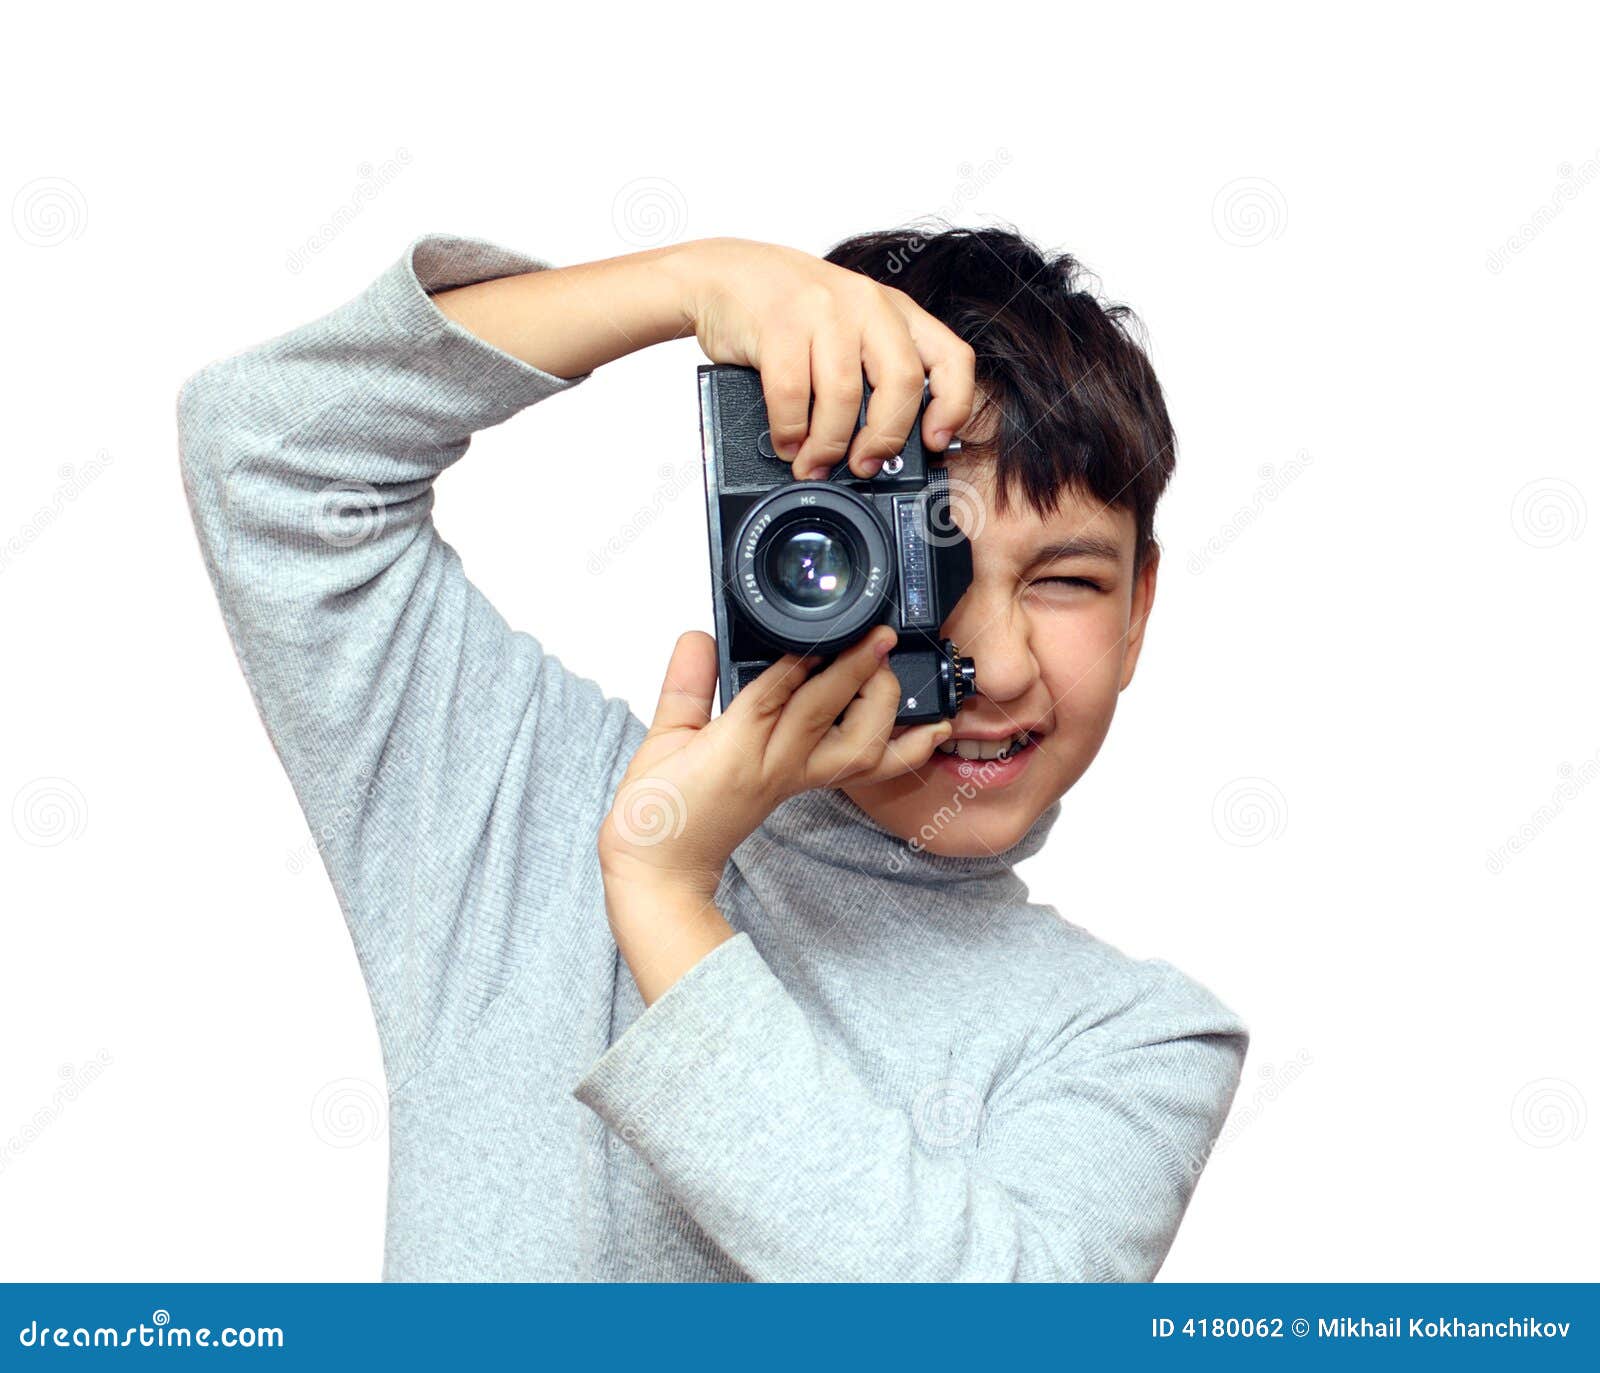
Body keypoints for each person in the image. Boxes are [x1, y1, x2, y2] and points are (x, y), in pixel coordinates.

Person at [176, 224, 1248, 1282]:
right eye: (936, 568)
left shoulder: (1139, 1040)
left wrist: (666, 899)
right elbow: (266, 454)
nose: (1003, 664)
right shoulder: (516, 807)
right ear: (795, 537)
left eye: (1066, 580)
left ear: (1138, 611)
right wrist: (690, 280)